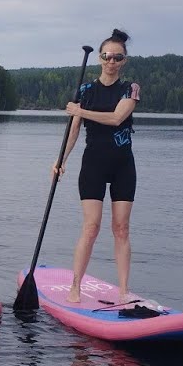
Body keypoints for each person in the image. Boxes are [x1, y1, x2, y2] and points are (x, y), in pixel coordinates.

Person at [54, 29, 140, 303]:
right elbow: (74, 130)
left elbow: (116, 119)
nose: (111, 61)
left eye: (117, 57)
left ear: (124, 60)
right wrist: (61, 160)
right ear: (100, 58)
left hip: (123, 165)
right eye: (106, 56)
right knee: (91, 227)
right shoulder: (86, 90)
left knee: (121, 228)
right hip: (93, 164)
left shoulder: (131, 88)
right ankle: (75, 286)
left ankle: (124, 290)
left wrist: (80, 110)